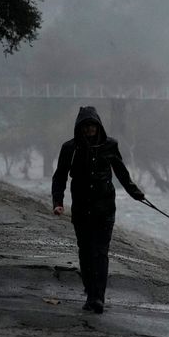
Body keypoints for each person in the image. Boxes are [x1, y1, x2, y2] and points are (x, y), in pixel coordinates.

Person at [51, 106, 146, 313]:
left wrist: (135, 193)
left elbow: (121, 171)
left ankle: (98, 298)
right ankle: (90, 292)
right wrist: (58, 202)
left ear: (98, 126)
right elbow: (59, 176)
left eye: (92, 126)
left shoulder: (110, 145)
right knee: (85, 252)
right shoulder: (70, 148)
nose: (89, 130)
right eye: (85, 126)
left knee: (101, 253)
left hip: (105, 209)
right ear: (80, 128)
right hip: (81, 209)